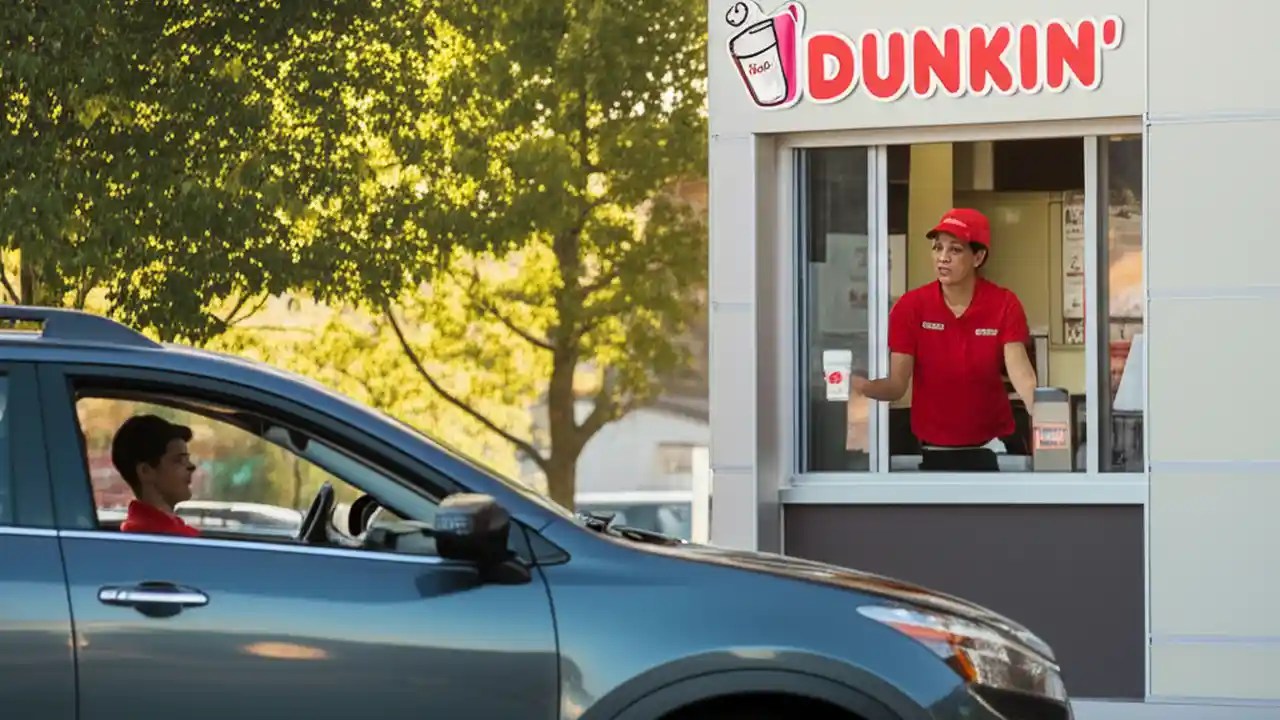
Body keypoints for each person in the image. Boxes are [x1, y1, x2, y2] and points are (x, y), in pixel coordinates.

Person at [852, 208, 1038, 471]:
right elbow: (897, 384)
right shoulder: (912, 306)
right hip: (929, 449)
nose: (942, 258)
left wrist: (1049, 424)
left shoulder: (1004, 303)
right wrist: (861, 387)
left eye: (955, 250)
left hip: (993, 447)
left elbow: (1023, 379)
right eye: (937, 248)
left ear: (978, 256)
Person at [110, 413, 201, 536]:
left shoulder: (140, 532)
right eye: (178, 460)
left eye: (187, 459)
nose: (191, 466)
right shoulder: (172, 541)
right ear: (145, 471)